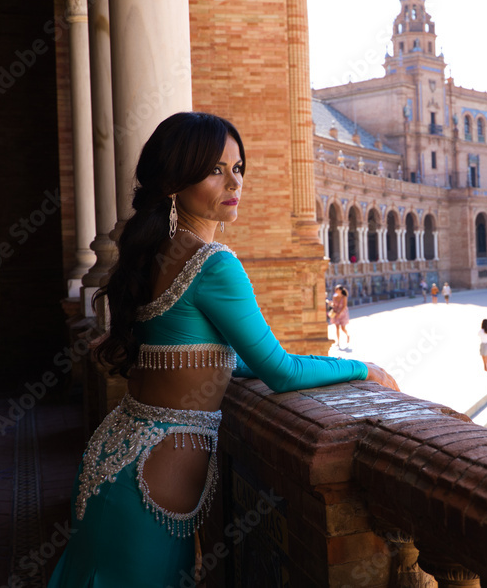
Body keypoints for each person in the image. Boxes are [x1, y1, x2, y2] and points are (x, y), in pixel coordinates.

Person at [47, 112, 398, 588]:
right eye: (216, 169)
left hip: (111, 456)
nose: (234, 181)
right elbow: (281, 371)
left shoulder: (153, 252)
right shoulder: (213, 264)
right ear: (175, 180)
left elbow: (197, 358)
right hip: (156, 477)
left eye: (239, 168)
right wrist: (362, 369)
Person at [331, 284, 351, 348]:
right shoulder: (334, 297)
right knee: (337, 328)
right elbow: (334, 305)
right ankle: (338, 341)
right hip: (336, 313)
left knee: (343, 328)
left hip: (343, 313)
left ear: (340, 290)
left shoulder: (344, 297)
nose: (335, 290)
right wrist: (331, 304)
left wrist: (340, 313)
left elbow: (344, 306)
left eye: (337, 289)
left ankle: (347, 335)